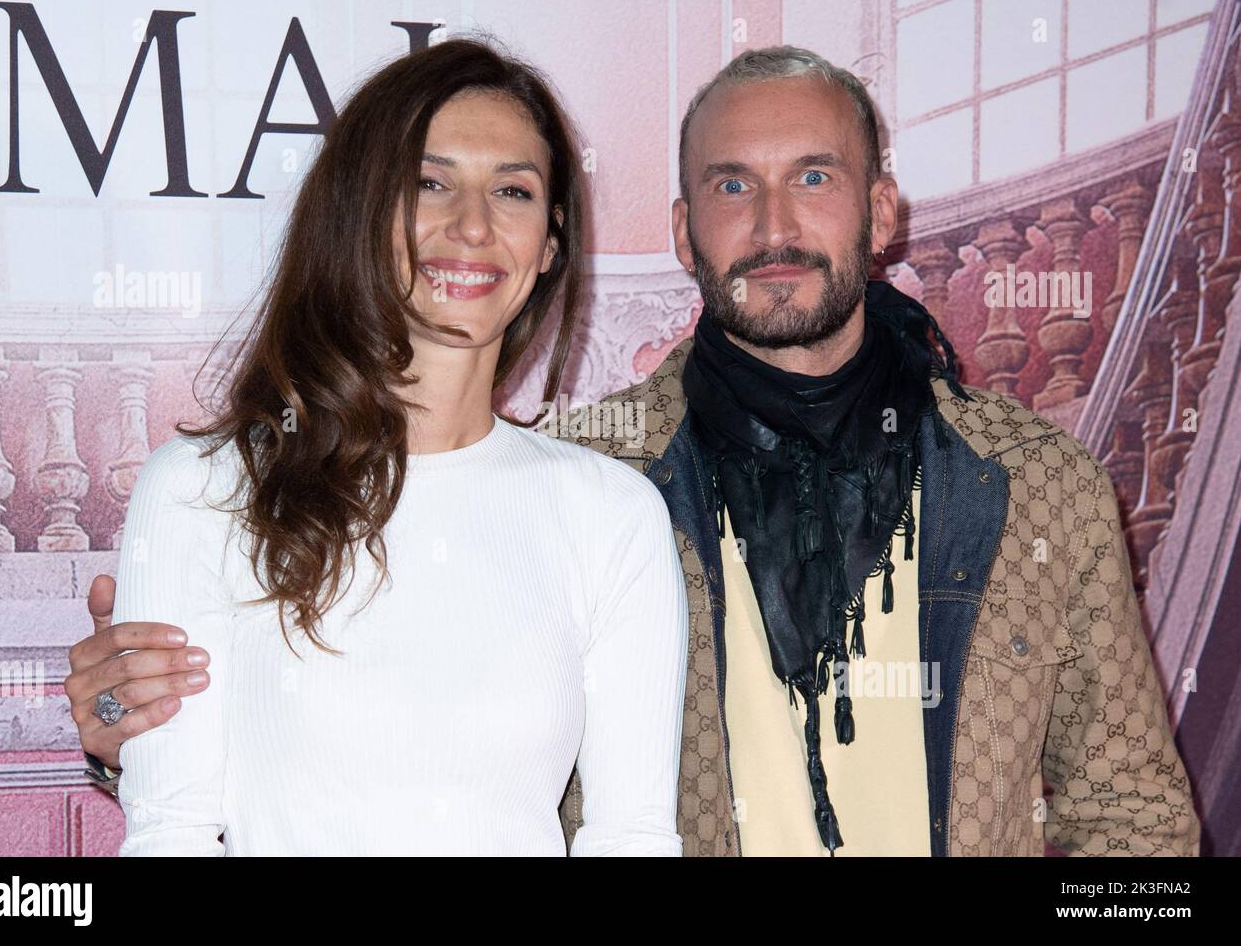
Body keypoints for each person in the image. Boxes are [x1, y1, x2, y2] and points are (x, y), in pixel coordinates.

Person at [72, 43, 1201, 858]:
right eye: (729, 185)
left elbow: (1135, 826)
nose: (772, 223)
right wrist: (127, 733)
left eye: (812, 175)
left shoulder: (1042, 488)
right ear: (676, 230)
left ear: (882, 208)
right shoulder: (612, 477)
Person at [77, 37, 689, 855]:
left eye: (513, 191)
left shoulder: (612, 514)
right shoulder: (203, 489)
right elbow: (171, 835)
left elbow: (633, 838)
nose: (472, 226)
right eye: (429, 183)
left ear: (548, 245)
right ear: (360, 215)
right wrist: (115, 723)